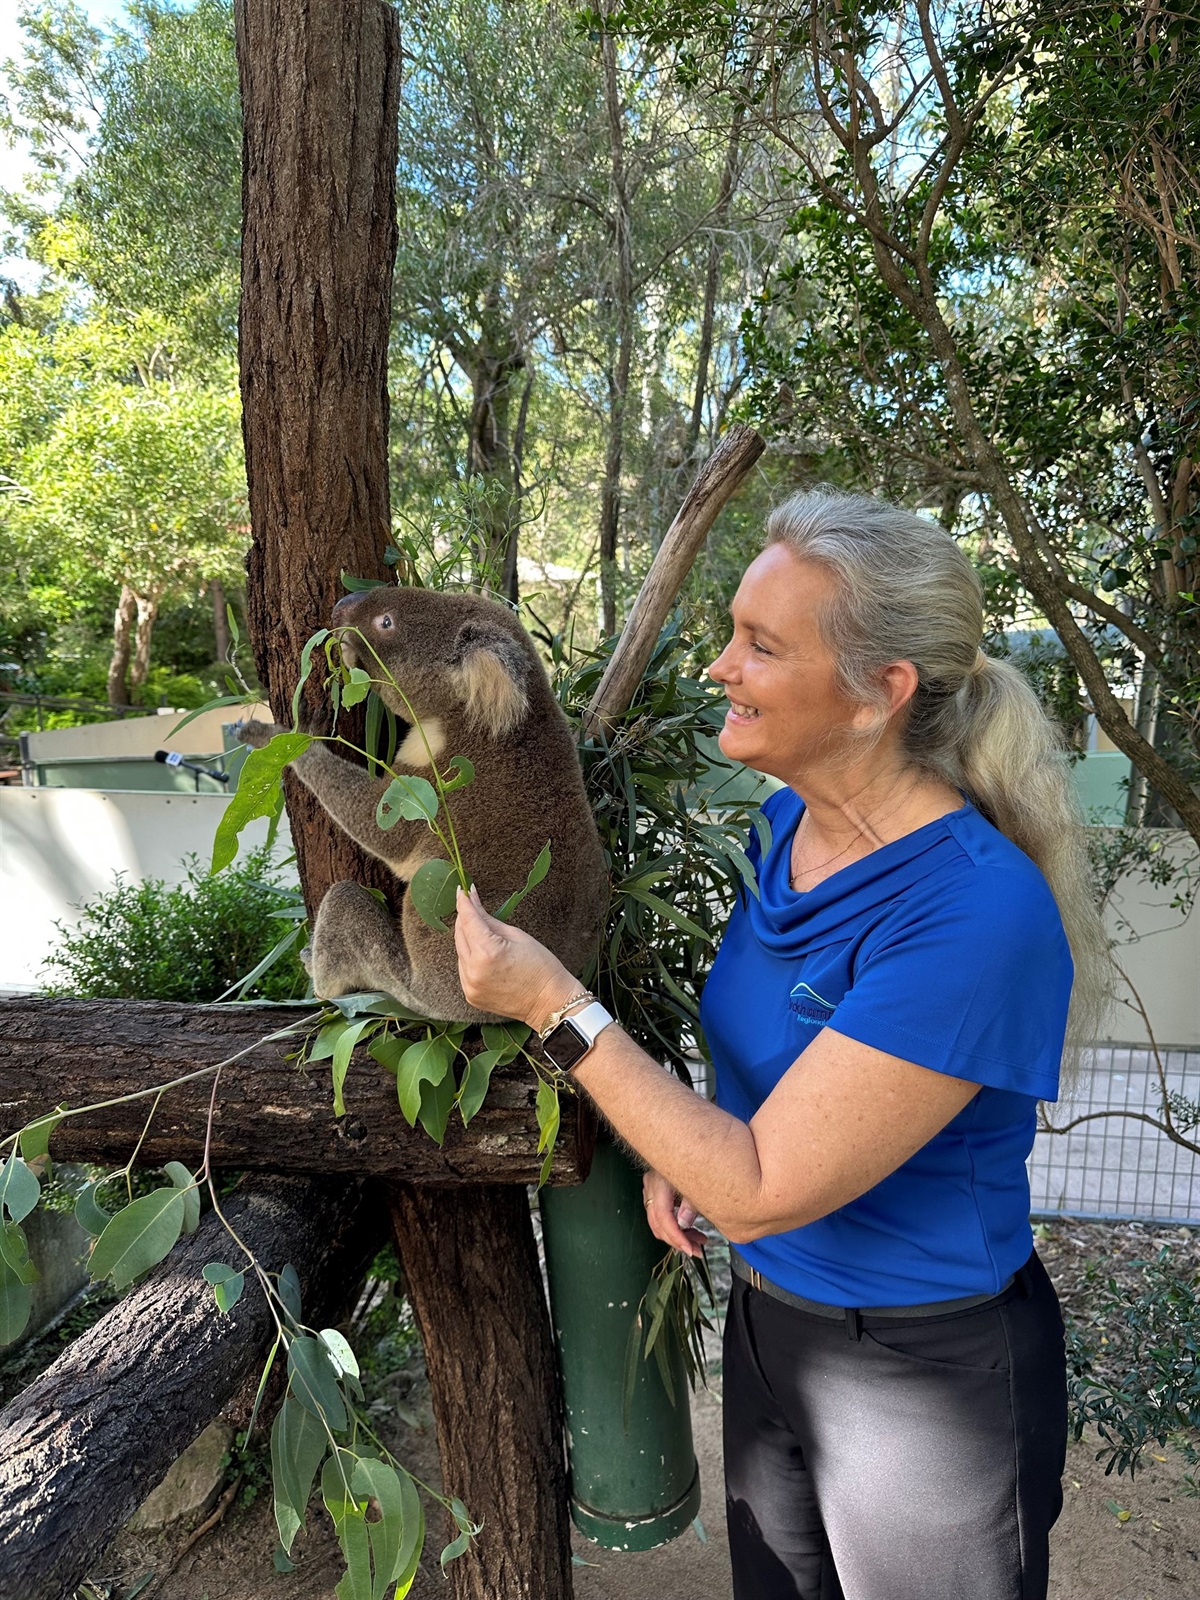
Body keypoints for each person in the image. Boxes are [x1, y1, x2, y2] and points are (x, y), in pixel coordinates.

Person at [453, 488, 1110, 1600]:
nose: (720, 667)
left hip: (923, 1372)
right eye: (730, 635)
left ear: (877, 694)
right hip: (769, 1323)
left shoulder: (972, 913)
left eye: (760, 645)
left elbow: (758, 1184)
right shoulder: (785, 828)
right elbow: (764, 1079)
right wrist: (681, 1147)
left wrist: (554, 1006)